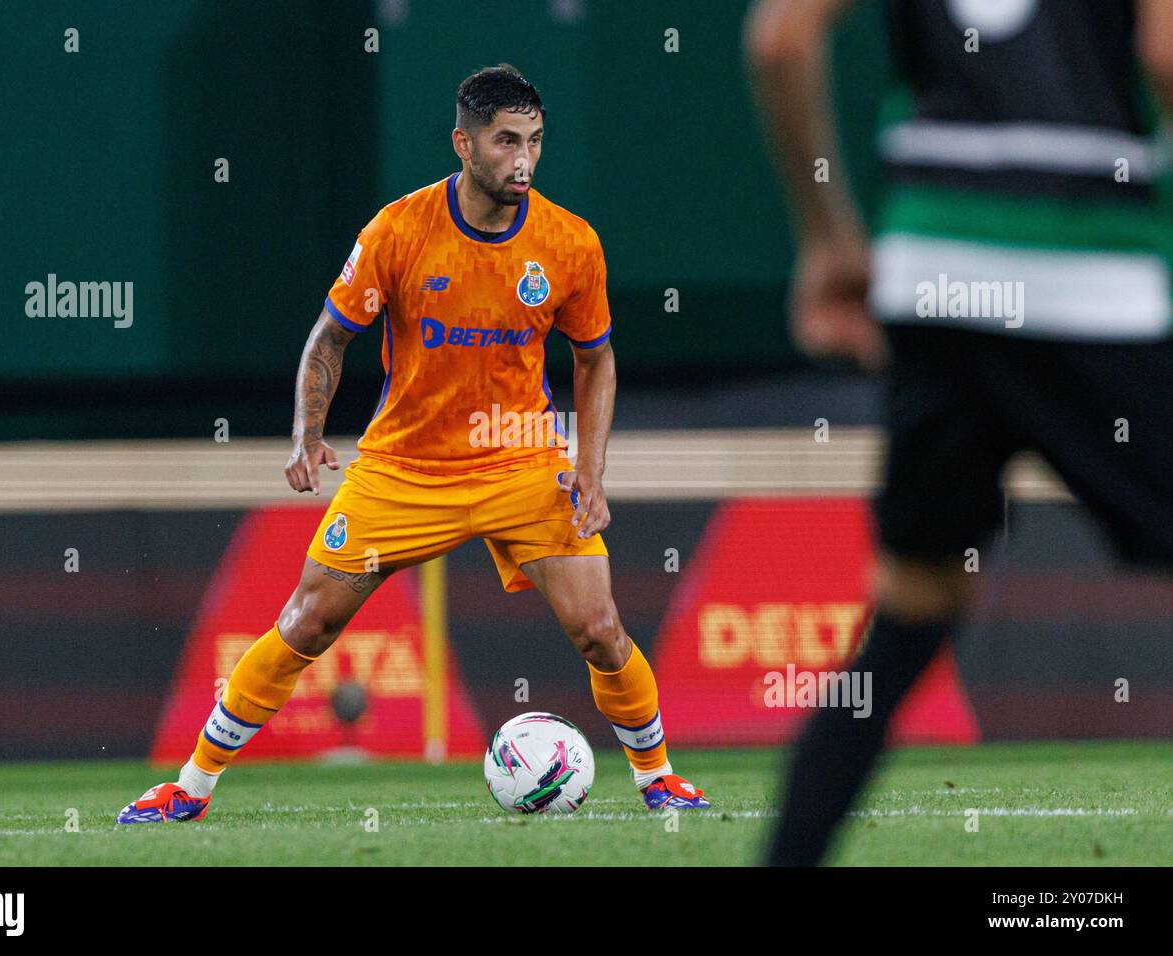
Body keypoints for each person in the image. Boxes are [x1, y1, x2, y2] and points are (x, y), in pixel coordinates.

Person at [119, 64, 708, 823]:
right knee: (308, 621)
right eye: (504, 142)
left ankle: (660, 779)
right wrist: (307, 433)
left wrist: (589, 474)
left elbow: (595, 358)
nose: (522, 160)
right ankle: (188, 789)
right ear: (463, 143)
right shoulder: (397, 230)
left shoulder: (569, 243)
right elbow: (330, 338)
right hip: (406, 466)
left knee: (599, 628)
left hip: (523, 458)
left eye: (533, 141)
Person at [746, 0, 1173, 864]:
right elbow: (1166, 56)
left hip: (933, 276)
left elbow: (780, 39)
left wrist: (830, 239)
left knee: (918, 598)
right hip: (1092, 269)